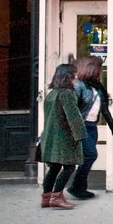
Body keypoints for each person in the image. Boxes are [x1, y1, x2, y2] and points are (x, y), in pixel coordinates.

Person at [68, 55, 113, 199]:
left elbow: (104, 110)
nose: (100, 72)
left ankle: (81, 188)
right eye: (99, 68)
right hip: (82, 126)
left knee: (88, 156)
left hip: (92, 126)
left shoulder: (97, 87)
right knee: (91, 155)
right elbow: (71, 108)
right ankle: (75, 186)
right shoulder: (78, 85)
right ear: (92, 69)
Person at [38, 63, 87, 210]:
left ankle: (46, 197)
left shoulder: (52, 94)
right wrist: (80, 136)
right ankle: (57, 196)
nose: (76, 78)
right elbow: (74, 117)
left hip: (50, 137)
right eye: (74, 75)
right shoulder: (66, 94)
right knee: (69, 166)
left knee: (54, 167)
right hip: (64, 138)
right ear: (69, 77)